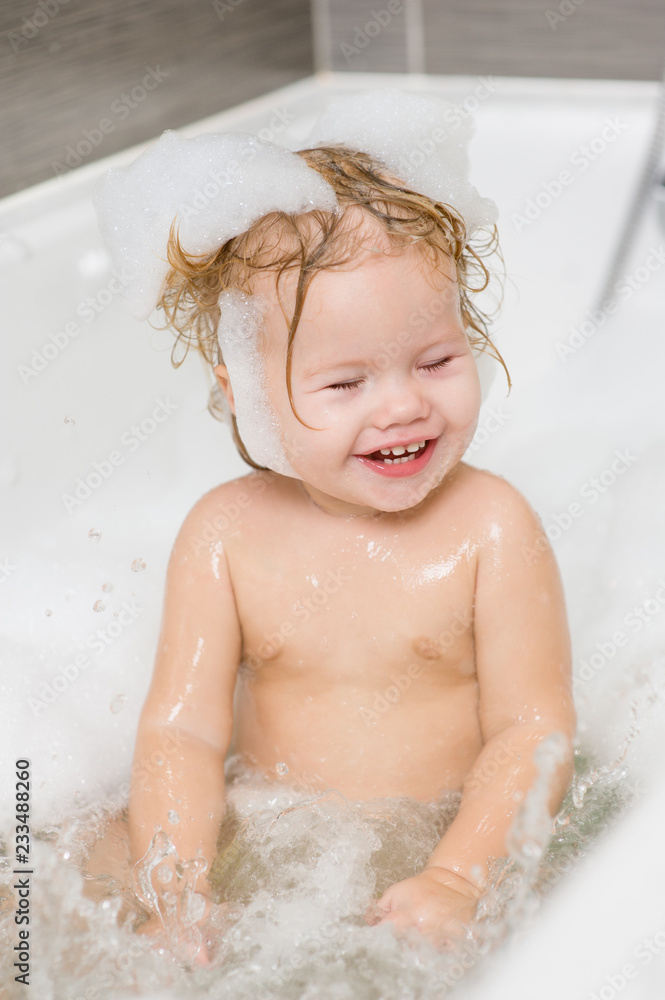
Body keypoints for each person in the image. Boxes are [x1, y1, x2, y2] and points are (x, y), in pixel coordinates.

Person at [95, 93, 576, 960]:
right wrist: (177, 889)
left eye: (434, 360)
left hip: (436, 850)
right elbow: (182, 732)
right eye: (344, 383)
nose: (401, 405)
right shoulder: (224, 537)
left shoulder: (490, 528)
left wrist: (461, 877)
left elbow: (531, 731)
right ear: (243, 389)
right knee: (39, 877)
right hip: (267, 838)